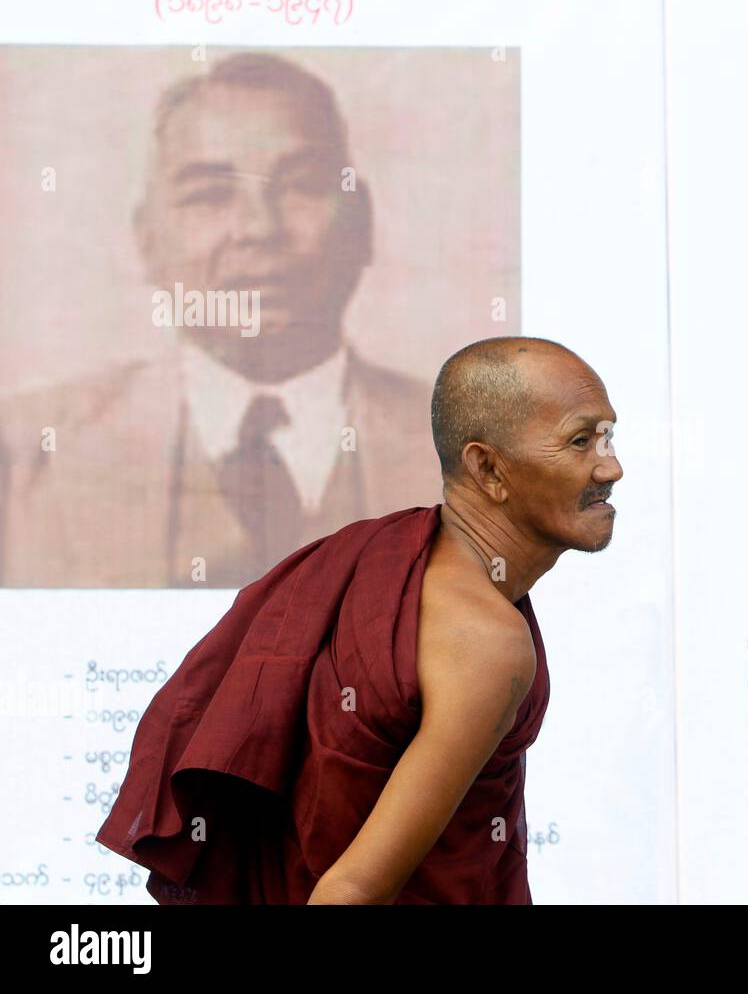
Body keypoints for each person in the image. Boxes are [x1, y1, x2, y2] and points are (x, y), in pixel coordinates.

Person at [94, 336, 622, 904]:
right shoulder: (483, 640)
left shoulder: (382, 560)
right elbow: (352, 891)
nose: (611, 467)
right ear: (488, 467)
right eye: (579, 441)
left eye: (607, 436)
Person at [0, 52, 438, 587]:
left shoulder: (468, 450)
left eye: (300, 184)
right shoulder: (23, 454)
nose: (259, 228)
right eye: (210, 194)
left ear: (361, 222)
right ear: (147, 240)